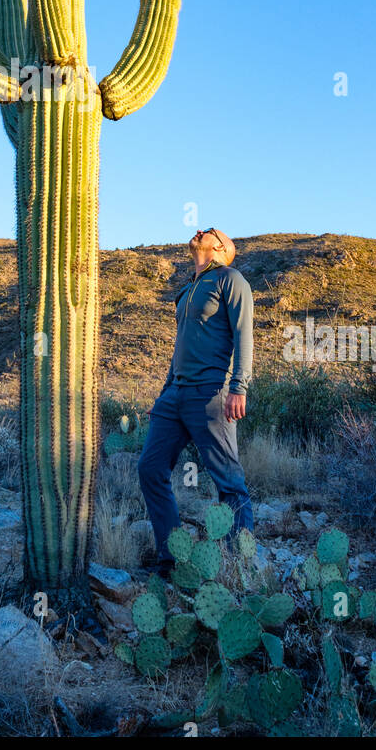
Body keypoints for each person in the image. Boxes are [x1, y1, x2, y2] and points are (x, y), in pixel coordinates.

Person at [137, 226, 254, 576]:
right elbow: (179, 348)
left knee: (228, 482)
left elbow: (244, 333)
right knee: (150, 468)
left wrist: (239, 387)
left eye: (210, 231)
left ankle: (239, 565)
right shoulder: (188, 289)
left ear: (220, 248)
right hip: (176, 395)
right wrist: (163, 393)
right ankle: (171, 556)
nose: (200, 230)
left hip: (211, 393)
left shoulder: (230, 279)